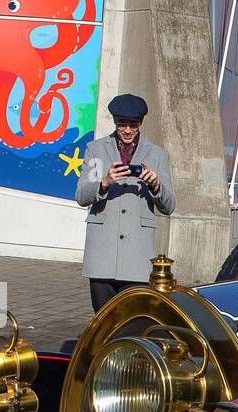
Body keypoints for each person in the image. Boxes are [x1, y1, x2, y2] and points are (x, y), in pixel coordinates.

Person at [76, 93, 175, 311]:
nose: (128, 130)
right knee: (102, 321)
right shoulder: (96, 149)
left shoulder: (157, 155)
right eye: (122, 124)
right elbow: (81, 196)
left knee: (133, 320)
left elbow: (169, 206)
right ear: (114, 122)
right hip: (102, 253)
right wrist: (104, 182)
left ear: (141, 123)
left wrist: (156, 186)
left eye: (133, 124)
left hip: (137, 255)